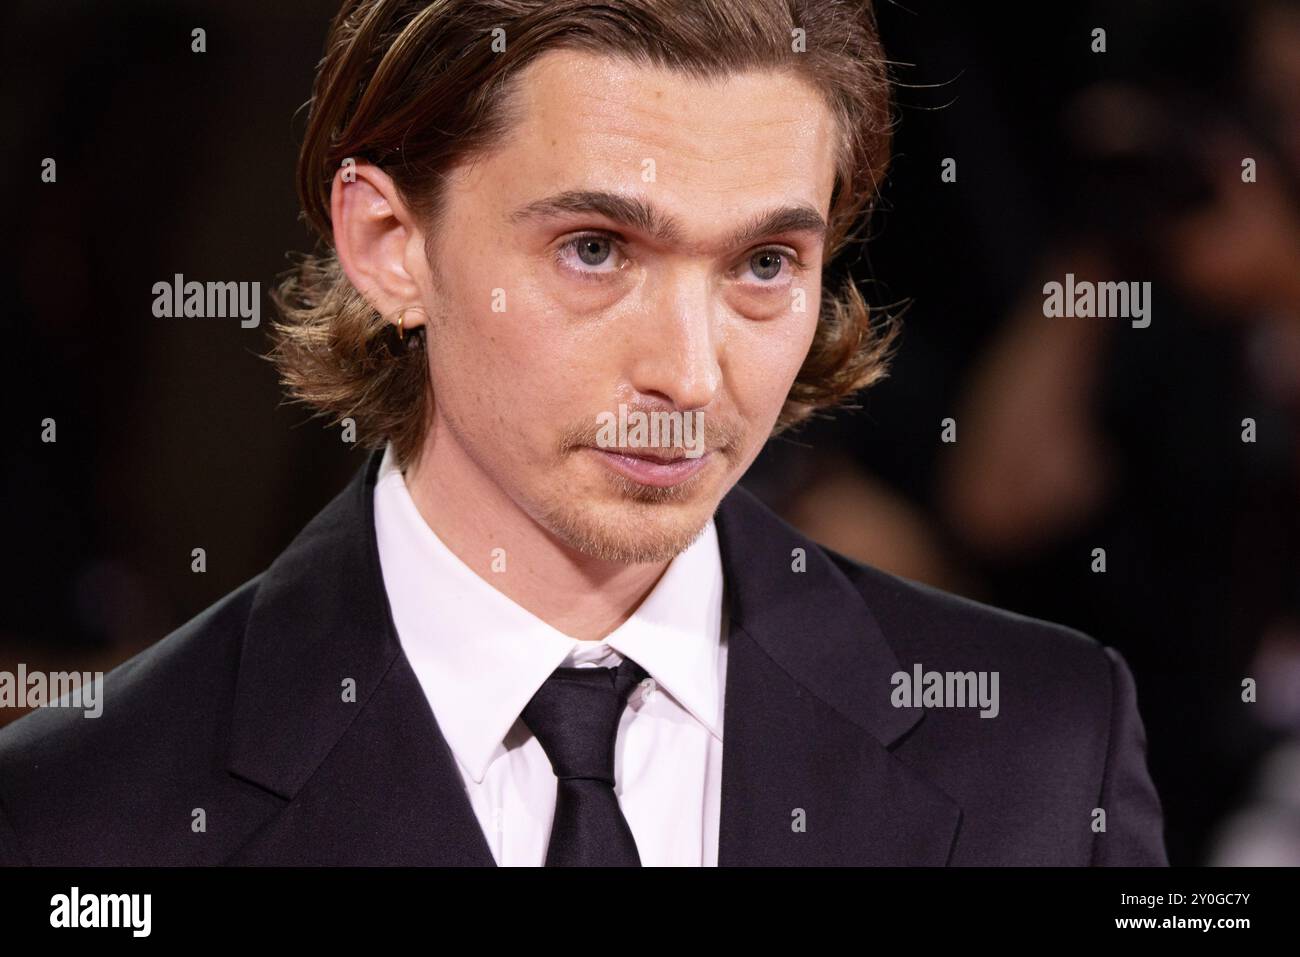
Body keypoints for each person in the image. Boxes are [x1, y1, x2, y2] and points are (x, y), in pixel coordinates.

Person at [0, 0, 1166, 866]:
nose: (689, 371)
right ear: (388, 242)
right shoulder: (83, 814)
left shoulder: (1046, 744)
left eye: (764, 265)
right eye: (596, 250)